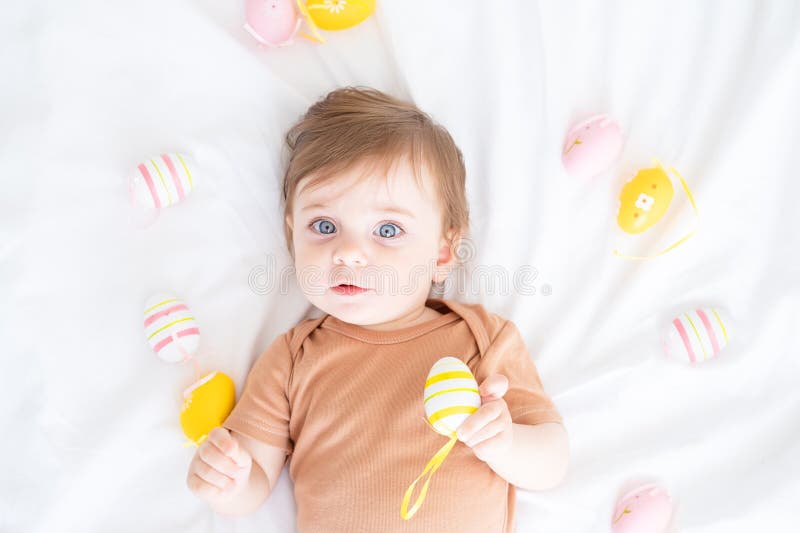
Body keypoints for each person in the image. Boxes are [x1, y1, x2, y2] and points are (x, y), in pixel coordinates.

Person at [186, 86, 569, 532]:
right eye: (324, 226)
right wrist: (228, 482)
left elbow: (552, 462)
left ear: (443, 253)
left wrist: (504, 444)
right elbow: (254, 481)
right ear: (292, 236)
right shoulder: (292, 359)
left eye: (387, 229)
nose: (348, 252)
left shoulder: (482, 339)